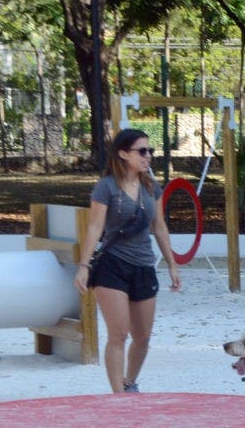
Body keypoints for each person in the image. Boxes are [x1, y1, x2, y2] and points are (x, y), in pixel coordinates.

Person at [74, 129, 182, 393]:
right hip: (112, 265)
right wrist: (83, 266)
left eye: (150, 151)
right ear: (123, 154)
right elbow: (95, 228)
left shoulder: (151, 188)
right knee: (119, 333)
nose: (148, 156)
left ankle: (129, 382)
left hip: (143, 266)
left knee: (142, 337)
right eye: (142, 151)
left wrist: (171, 264)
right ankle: (118, 395)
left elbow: (159, 227)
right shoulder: (106, 187)